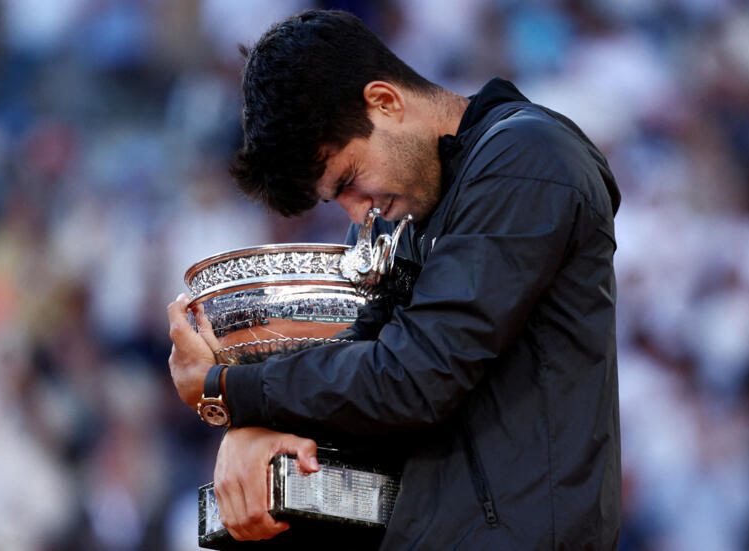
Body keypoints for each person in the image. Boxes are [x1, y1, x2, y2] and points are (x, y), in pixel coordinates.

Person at [167, 8, 621, 550]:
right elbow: (360, 381)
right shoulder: (415, 213)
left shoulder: (526, 159)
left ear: (385, 101)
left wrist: (228, 391)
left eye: (352, 180)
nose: (360, 214)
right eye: (340, 200)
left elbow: (411, 378)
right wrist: (250, 432)